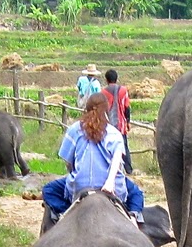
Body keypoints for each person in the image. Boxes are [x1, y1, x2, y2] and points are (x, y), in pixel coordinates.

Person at [42, 92, 145, 226]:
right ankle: (133, 217)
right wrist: (109, 182)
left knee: (49, 190)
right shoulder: (114, 133)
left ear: (87, 108)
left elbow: (68, 162)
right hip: (111, 186)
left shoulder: (74, 130)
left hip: (80, 185)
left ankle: (64, 214)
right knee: (137, 193)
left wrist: (75, 173)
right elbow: (116, 162)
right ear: (106, 109)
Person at [101, 68, 134, 174]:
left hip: (108, 125)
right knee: (124, 146)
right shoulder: (123, 90)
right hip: (121, 124)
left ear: (106, 80)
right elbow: (127, 107)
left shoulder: (103, 92)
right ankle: (128, 170)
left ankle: (109, 168)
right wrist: (128, 122)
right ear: (116, 79)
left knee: (108, 146)